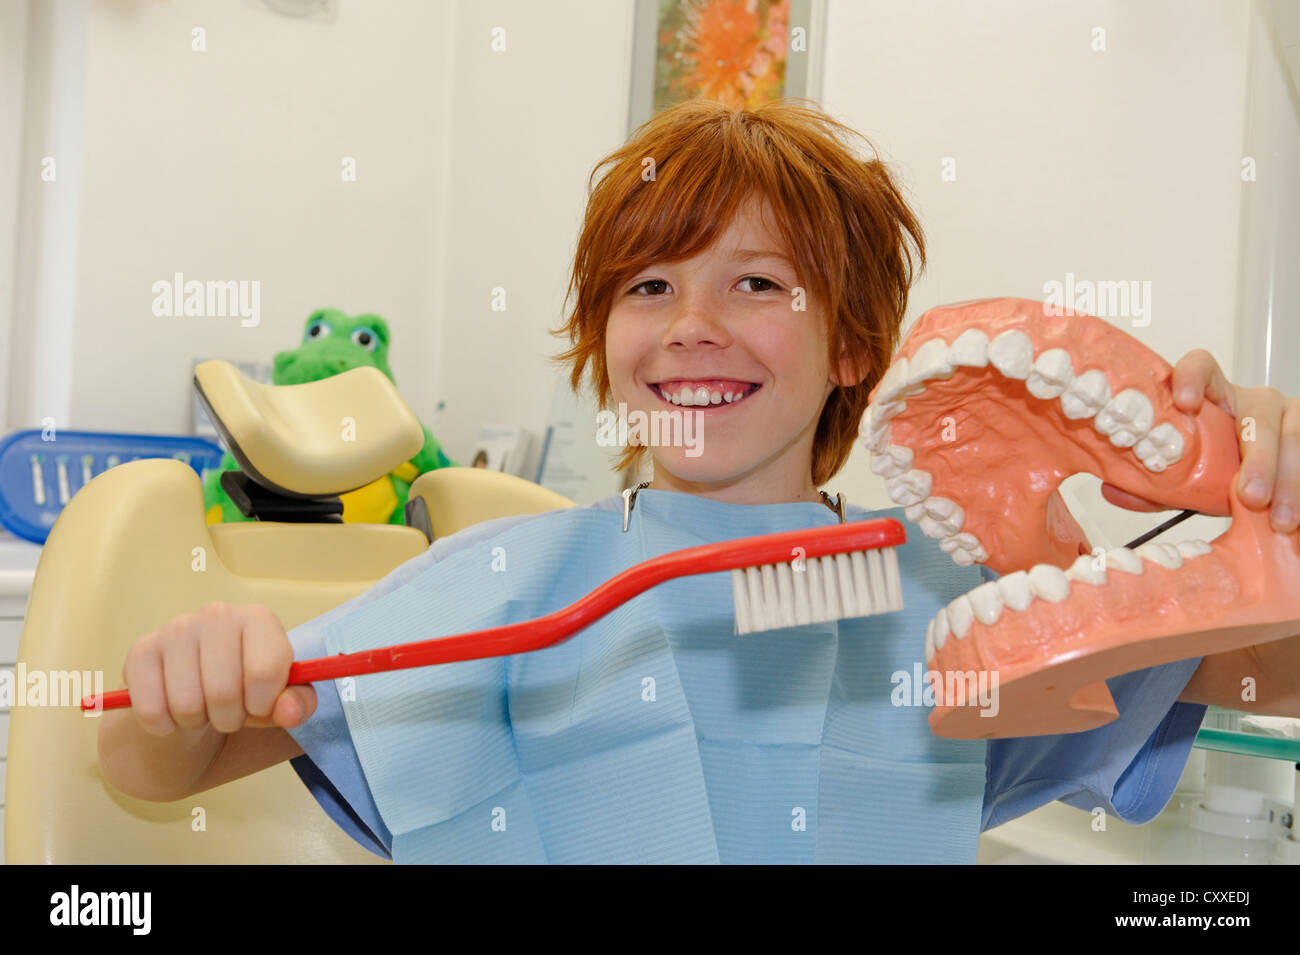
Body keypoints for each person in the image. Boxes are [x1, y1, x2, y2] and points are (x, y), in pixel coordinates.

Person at [98, 99, 1300, 863]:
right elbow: (166, 769)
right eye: (649, 286)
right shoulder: (495, 591)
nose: (693, 326)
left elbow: (1268, 664)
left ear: (852, 348)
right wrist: (179, 695)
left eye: (758, 284)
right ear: (599, 334)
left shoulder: (959, 606)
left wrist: (1266, 500)